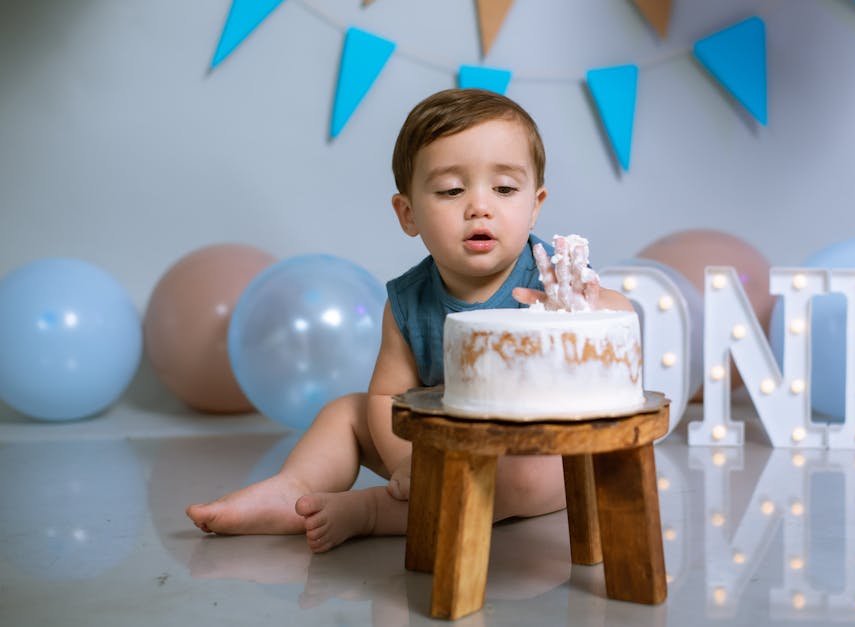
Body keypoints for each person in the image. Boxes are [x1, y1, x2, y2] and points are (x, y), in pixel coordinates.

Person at [186, 88, 632, 553]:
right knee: (347, 412)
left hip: (530, 454)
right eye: (451, 190)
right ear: (408, 213)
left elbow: (621, 320)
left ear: (535, 203)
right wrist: (407, 462)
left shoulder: (552, 280)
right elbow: (387, 396)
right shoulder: (407, 300)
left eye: (504, 189)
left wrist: (585, 312)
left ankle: (375, 511)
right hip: (442, 444)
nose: (480, 206)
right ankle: (292, 489)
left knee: (525, 474)